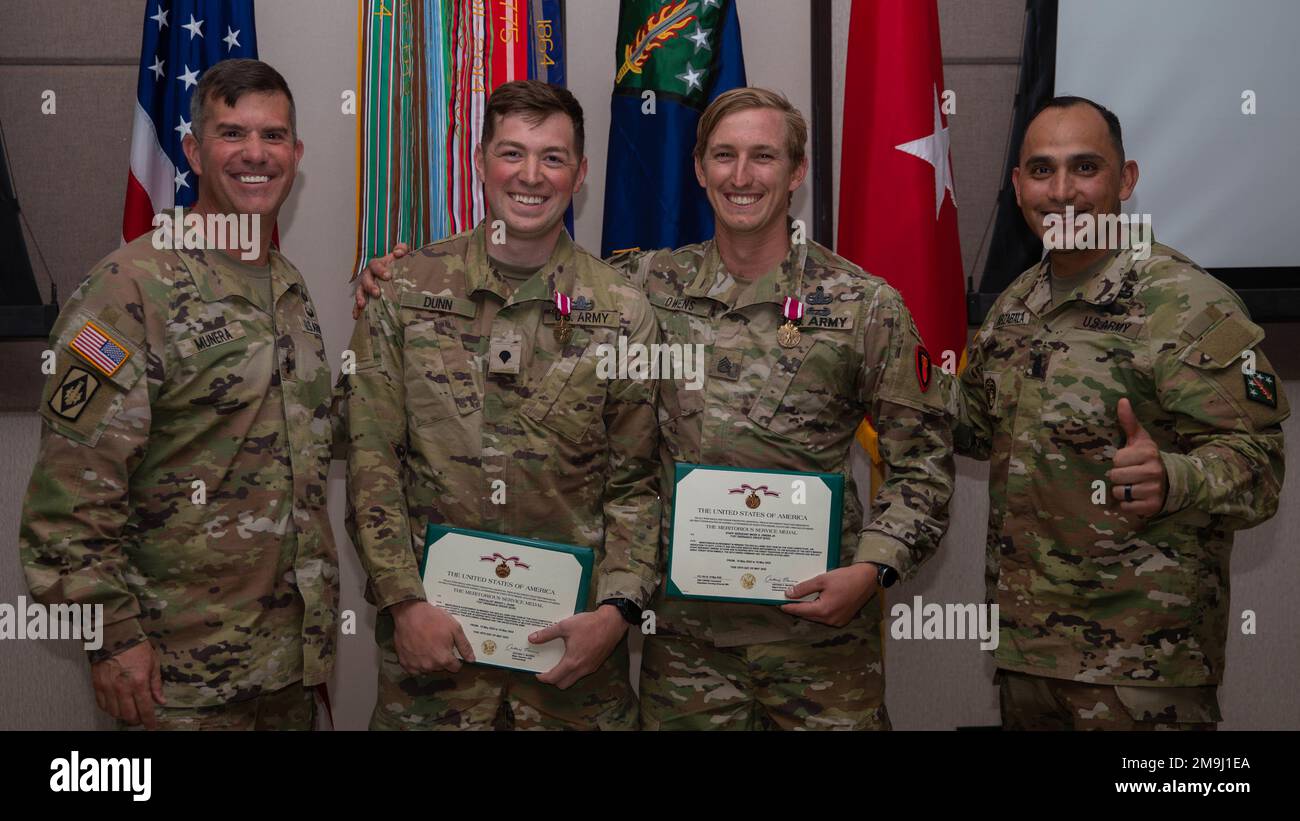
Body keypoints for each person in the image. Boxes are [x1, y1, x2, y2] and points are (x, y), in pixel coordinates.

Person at [357, 87, 955, 730]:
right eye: (723, 155)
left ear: (797, 171)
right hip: (684, 648)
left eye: (764, 156)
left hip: (821, 645)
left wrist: (872, 569)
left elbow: (923, 461)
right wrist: (393, 276)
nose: (742, 175)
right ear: (699, 170)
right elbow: (535, 284)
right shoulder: (640, 289)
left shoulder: (865, 306)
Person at [18, 58, 338, 730]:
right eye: (232, 134)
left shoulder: (288, 284)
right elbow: (69, 494)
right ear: (192, 149)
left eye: (274, 136)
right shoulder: (128, 288)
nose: (256, 154)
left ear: (296, 153)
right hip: (177, 678)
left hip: (287, 668)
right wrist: (113, 638)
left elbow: (305, 441)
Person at [956, 96, 1289, 730]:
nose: (1061, 192)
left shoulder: (1185, 302)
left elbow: (1260, 468)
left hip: (1141, 667)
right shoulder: (1017, 303)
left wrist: (1175, 478)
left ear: (1125, 179)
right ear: (1018, 185)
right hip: (1029, 655)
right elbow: (974, 428)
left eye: (1084, 167)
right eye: (1041, 170)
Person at [340, 80, 661, 730]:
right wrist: (404, 603)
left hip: (572, 674)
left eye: (553, 156)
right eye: (512, 153)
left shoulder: (622, 310)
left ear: (582, 172)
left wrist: (616, 612)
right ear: (481, 162)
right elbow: (372, 464)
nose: (531, 175)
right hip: (432, 668)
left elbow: (639, 483)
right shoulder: (405, 291)